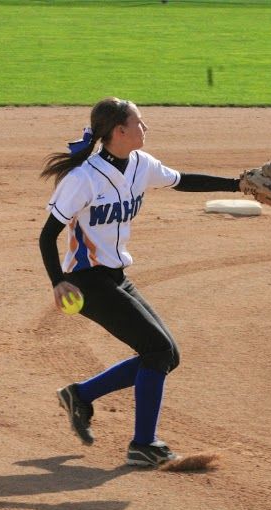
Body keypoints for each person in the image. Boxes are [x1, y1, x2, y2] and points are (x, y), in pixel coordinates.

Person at [39, 97, 242, 467]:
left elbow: (183, 181)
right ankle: (142, 444)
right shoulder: (83, 178)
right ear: (119, 131)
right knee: (157, 350)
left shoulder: (140, 166)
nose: (144, 128)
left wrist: (238, 184)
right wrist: (57, 282)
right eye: (139, 122)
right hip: (87, 282)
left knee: (167, 355)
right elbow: (46, 234)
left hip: (116, 276)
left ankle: (81, 395)